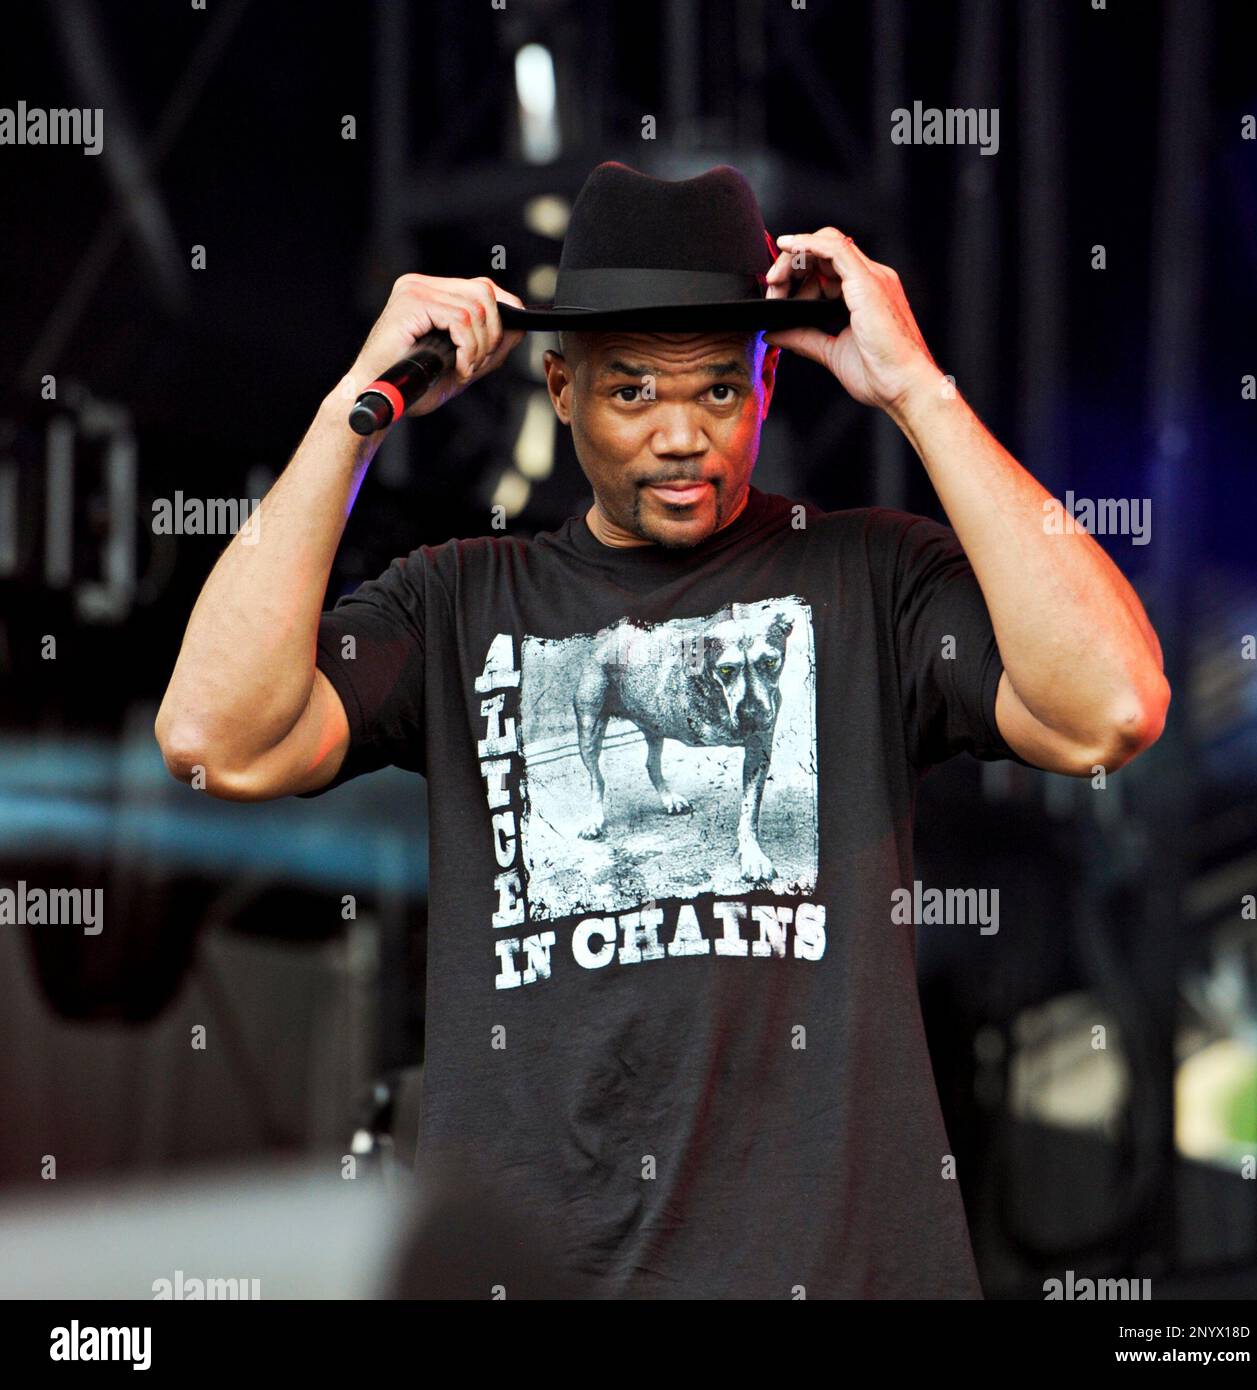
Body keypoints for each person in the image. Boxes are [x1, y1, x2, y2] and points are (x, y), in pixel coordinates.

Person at [154, 162, 1169, 1298]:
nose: (682, 434)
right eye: (633, 390)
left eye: (718, 392)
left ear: (770, 379)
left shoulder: (870, 576)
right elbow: (212, 737)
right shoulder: (456, 603)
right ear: (559, 386)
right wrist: (355, 407)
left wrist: (918, 391)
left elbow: (1111, 708)